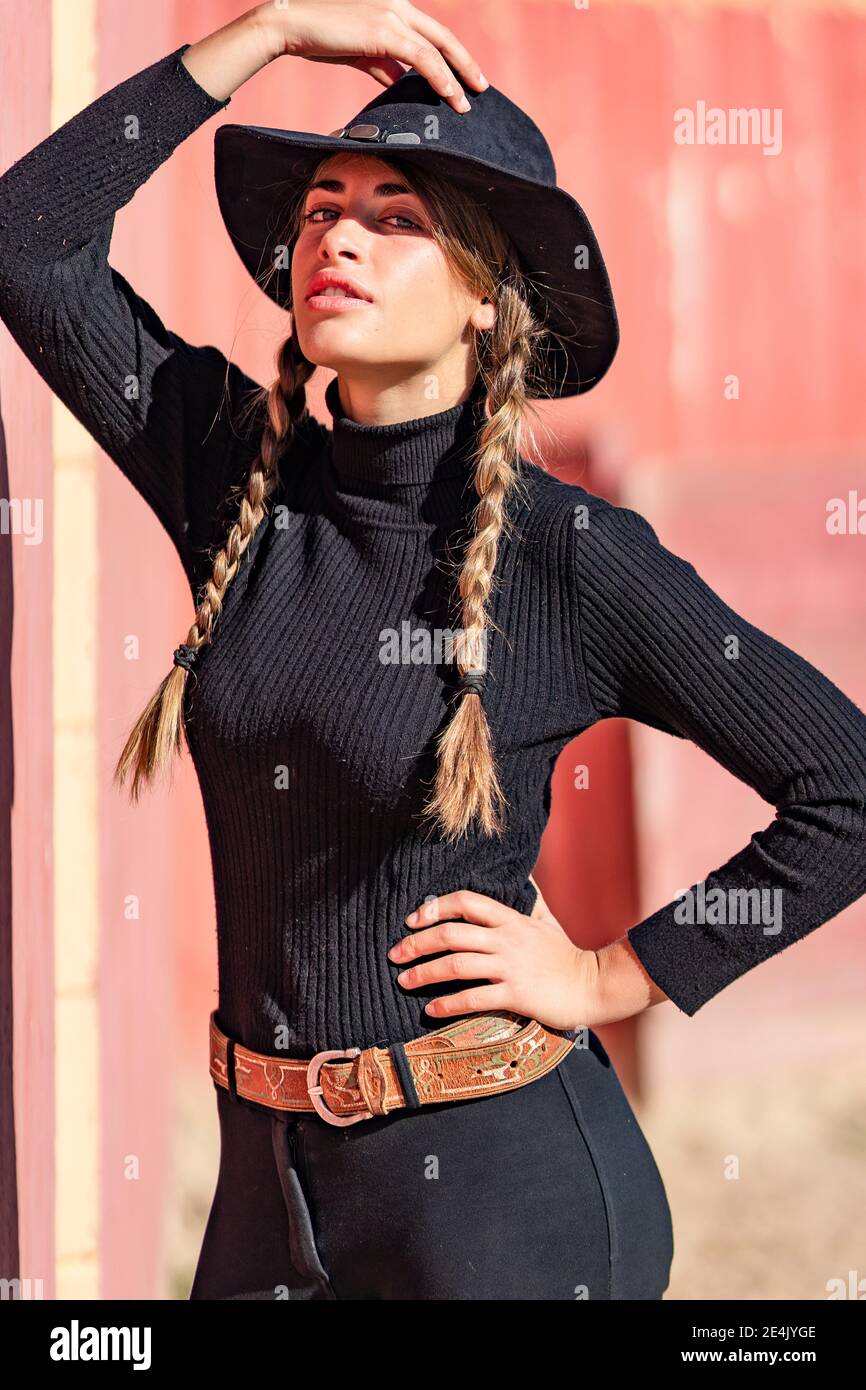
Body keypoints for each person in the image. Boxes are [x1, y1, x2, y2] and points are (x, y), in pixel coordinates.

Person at [1, 0, 865, 1301]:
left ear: (483, 297)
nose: (337, 235)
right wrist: (265, 34)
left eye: (396, 216)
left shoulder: (568, 555)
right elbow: (27, 244)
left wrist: (611, 973)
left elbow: (844, 787)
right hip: (261, 1196)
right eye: (321, 207)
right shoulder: (234, 472)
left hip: (505, 1206)